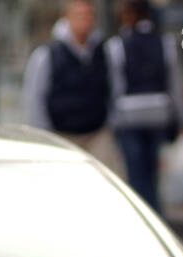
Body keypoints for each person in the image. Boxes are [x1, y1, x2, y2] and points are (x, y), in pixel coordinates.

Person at [105, 0, 183, 214]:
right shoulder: (165, 42)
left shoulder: (117, 45)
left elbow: (115, 86)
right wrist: (181, 118)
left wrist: (111, 120)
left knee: (136, 175)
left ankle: (143, 218)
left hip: (128, 117)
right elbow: (175, 83)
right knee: (153, 175)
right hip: (158, 115)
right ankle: (156, 217)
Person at [22, 0, 122, 172]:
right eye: (79, 15)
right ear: (66, 18)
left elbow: (115, 88)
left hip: (97, 134)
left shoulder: (103, 52)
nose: (84, 21)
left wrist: (111, 123)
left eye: (88, 16)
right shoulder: (47, 54)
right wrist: (45, 136)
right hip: (62, 135)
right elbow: (35, 97)